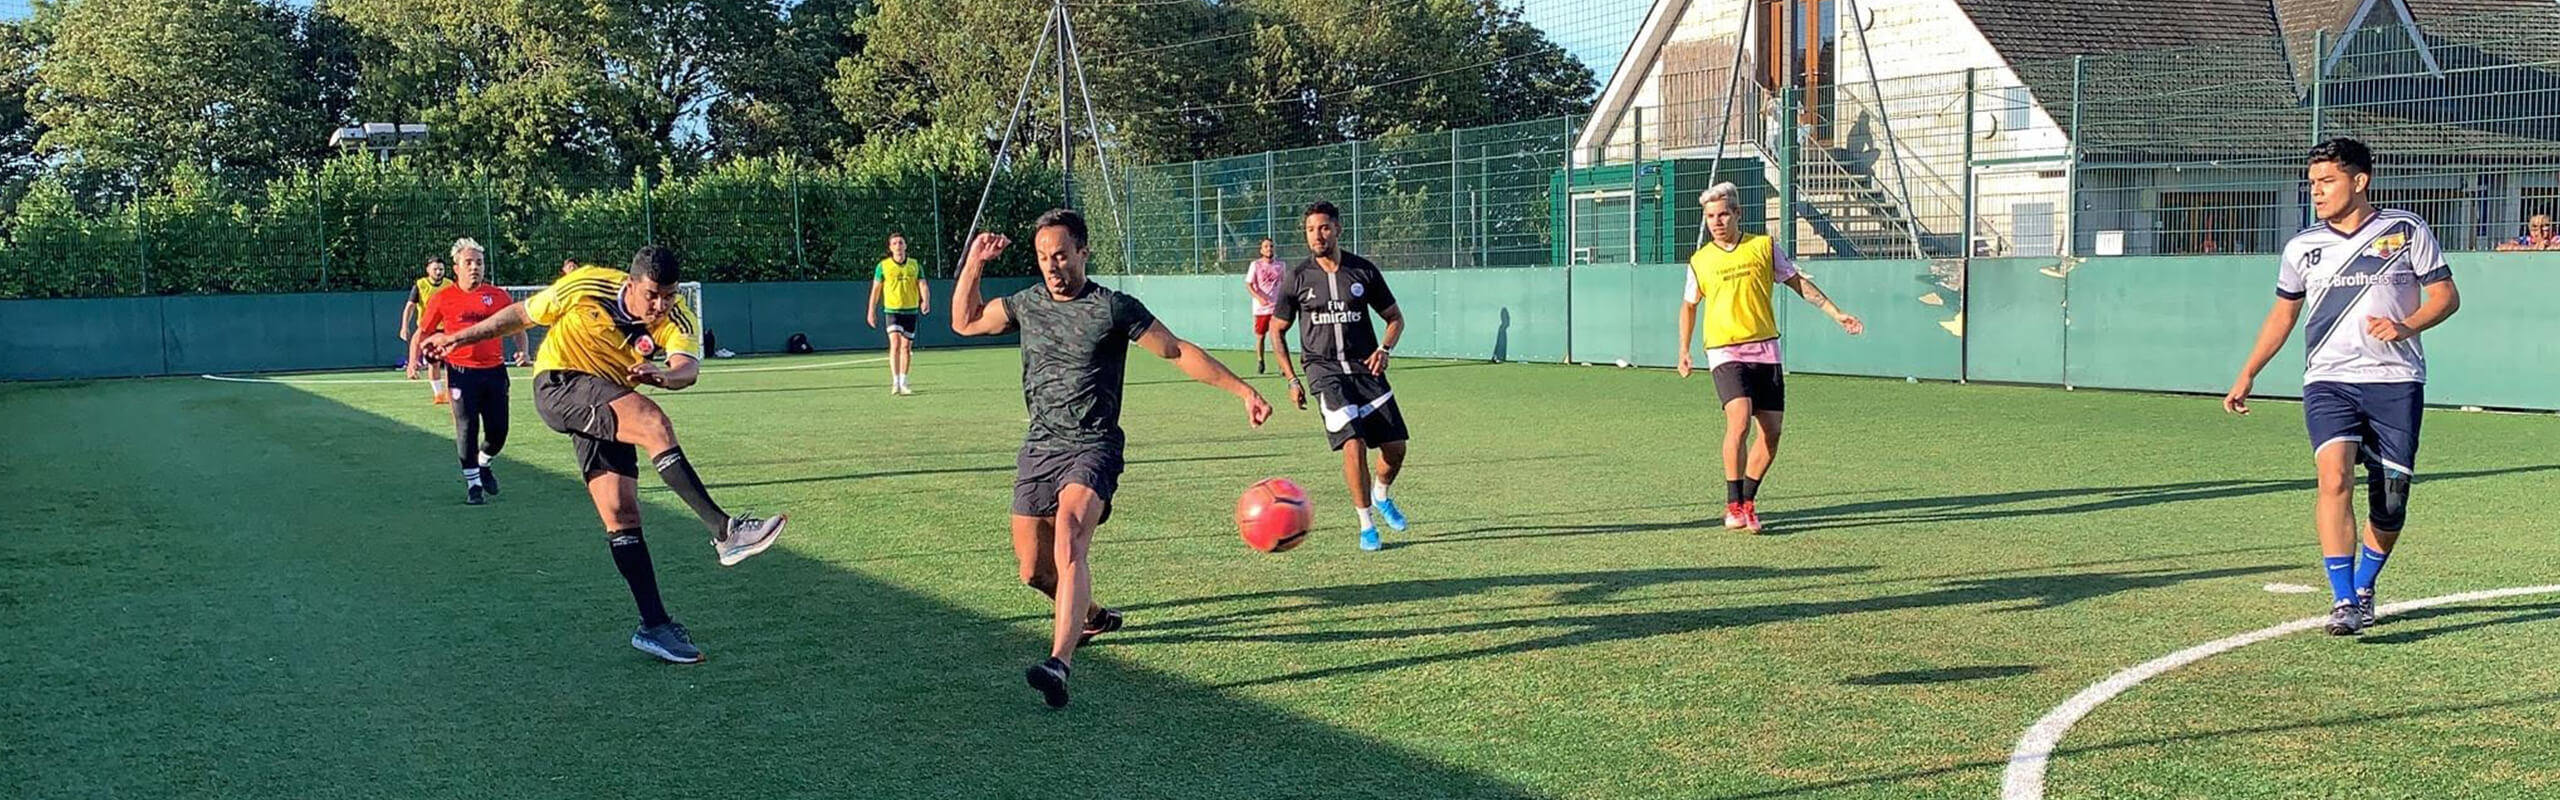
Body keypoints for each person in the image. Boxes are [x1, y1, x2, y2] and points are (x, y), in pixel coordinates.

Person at [949, 209, 1271, 708]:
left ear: (1083, 252)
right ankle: (1094, 616)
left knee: (1071, 535)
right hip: (1040, 446)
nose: (1052, 267)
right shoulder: (1025, 304)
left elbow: (1176, 350)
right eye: (1042, 258)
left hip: (1093, 445)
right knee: (1033, 572)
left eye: (1060, 255)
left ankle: (1059, 662)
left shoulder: (1112, 308)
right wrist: (974, 264)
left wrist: (1241, 390)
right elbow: (964, 321)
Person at [423, 245, 789, 664]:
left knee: (622, 513)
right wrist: (455, 338)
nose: (660, 305)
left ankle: (653, 625)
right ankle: (726, 531)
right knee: (653, 423)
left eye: (668, 295)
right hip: (560, 383)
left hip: (607, 400)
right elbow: (521, 315)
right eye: (652, 295)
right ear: (630, 283)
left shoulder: (678, 315)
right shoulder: (587, 283)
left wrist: (666, 377)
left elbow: (688, 367)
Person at [2225, 137, 2460, 637]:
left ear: (2359, 180)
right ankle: (2343, 599)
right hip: (2328, 380)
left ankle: (2366, 585)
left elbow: (2446, 296)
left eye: (2327, 181)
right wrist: (2249, 372)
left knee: (2391, 500)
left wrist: (2407, 324)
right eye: (2312, 183)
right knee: (2333, 479)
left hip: (2395, 381)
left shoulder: (2405, 230)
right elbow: (2284, 313)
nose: (2317, 191)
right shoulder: (2301, 247)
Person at [1675, 182, 1863, 534]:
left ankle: (1748, 502)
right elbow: (1689, 306)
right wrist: (1684, 350)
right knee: (1740, 419)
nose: (1716, 222)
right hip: (1724, 349)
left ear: (1737, 214)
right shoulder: (1700, 261)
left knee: (1772, 433)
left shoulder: (1762, 247)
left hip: (1765, 350)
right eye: (1710, 216)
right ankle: (1732, 505)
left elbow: (1797, 282)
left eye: (1723, 214)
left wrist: (1836, 313)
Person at [1267, 201, 1409, 552]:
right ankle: (1365, 524)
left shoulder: (1363, 271)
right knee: (1353, 441)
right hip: (1323, 371)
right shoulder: (1297, 277)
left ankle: (1381, 494)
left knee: (1395, 449)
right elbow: (1277, 330)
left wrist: (1385, 349)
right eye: (1311, 229)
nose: (1317, 235)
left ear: (1338, 229)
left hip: (1365, 369)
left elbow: (1395, 318)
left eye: (1324, 228)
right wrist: (1291, 378)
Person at [407, 238, 529, 505]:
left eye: (479, 263)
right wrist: (413, 360)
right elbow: (423, 332)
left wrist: (523, 351)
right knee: (467, 428)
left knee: (498, 431)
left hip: (495, 371)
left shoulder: (498, 296)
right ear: (456, 267)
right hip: (462, 372)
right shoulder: (443, 298)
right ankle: (473, 485)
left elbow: (517, 324)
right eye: (469, 262)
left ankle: (484, 462)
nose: (475, 267)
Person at [869, 232, 931, 395]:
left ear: (905, 246)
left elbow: (923, 284)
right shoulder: (883, 266)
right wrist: (871, 311)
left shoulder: (914, 265)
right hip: (892, 310)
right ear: (890, 248)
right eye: (895, 243)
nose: (898, 246)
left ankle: (904, 381)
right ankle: (895, 381)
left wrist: (925, 300)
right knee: (895, 343)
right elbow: (876, 289)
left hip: (910, 310)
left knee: (906, 346)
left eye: (901, 243)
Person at [398, 258, 454, 404]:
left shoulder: (449, 285)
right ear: (428, 270)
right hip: (427, 328)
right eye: (435, 269)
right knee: (433, 362)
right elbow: (409, 307)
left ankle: (451, 393)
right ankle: (438, 394)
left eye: (441, 269)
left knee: (452, 363)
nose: (438, 272)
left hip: (446, 329)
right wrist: (404, 326)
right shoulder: (420, 285)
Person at [1244, 238, 1286, 374]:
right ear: (1261, 250)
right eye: (1266, 247)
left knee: (1278, 336)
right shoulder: (1255, 265)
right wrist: (1259, 297)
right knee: (1261, 336)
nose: (1269, 249)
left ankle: (1282, 365)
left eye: (1271, 246)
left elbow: (1284, 284)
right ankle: (1261, 361)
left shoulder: (1281, 265)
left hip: (1276, 307)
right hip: (1261, 308)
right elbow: (1249, 284)